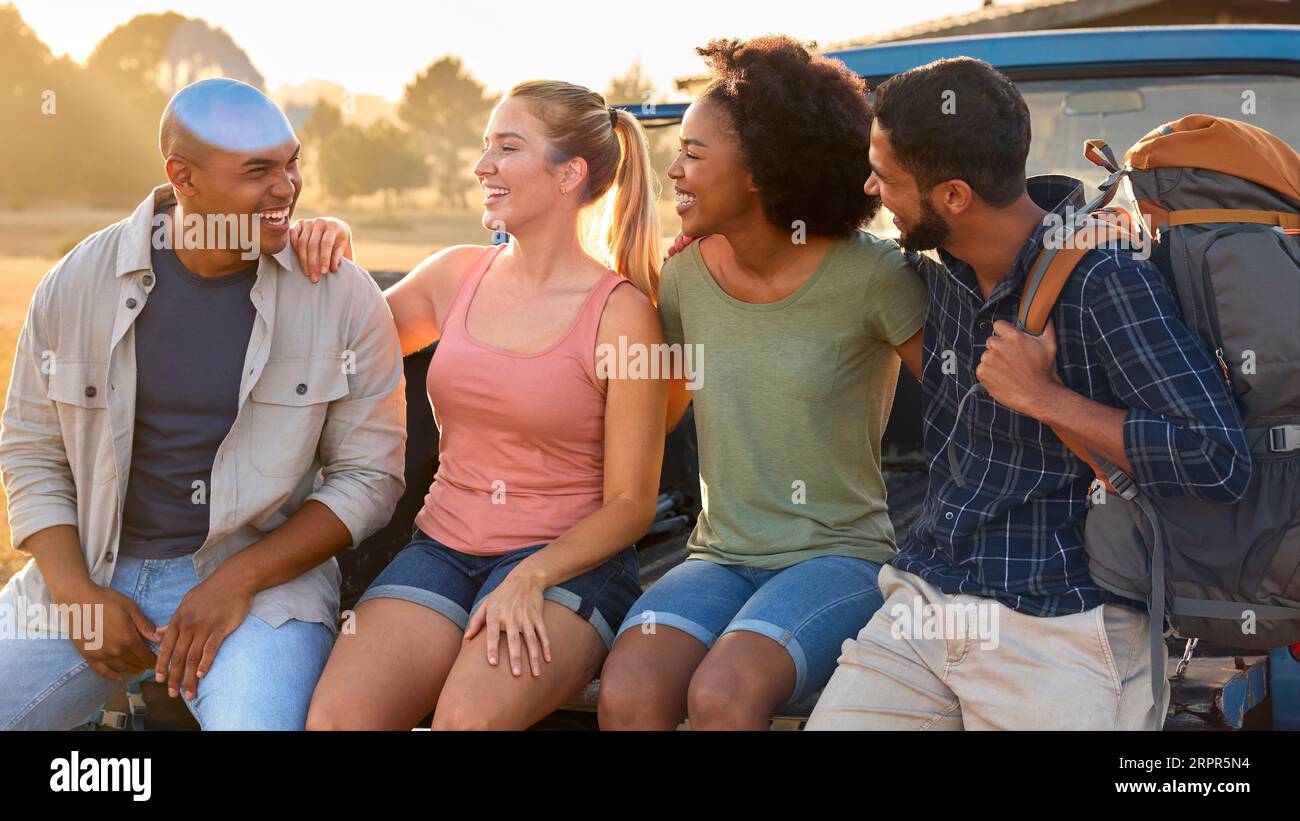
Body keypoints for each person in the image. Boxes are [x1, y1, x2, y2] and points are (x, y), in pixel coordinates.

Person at [805, 57, 1252, 730]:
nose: (871, 186)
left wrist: (1047, 397)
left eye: (885, 175)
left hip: (1060, 630)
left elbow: (1220, 459)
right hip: (924, 603)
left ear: (954, 196)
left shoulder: (1104, 281)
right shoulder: (945, 270)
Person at [0, 77, 406, 730]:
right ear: (182, 178)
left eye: (291, 161)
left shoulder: (340, 296)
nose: (288, 186)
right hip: (89, 573)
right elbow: (31, 448)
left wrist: (235, 580)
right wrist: (76, 595)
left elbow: (370, 477)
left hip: (264, 589)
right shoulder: (75, 283)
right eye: (258, 171)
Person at [296, 80, 668, 730]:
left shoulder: (623, 315)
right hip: (443, 548)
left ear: (569, 174)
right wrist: (335, 245)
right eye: (485, 145)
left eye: (508, 146)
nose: (482, 165)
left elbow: (632, 504)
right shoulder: (455, 275)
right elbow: (343, 340)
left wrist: (534, 574)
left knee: (466, 722)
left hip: (568, 564)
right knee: (337, 719)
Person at [595, 36, 928, 730]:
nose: (674, 168)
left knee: (723, 693)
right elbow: (659, 413)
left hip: (840, 556)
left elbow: (970, 408)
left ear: (760, 170)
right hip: (719, 554)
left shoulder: (874, 276)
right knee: (628, 693)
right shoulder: (685, 277)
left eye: (693, 152)